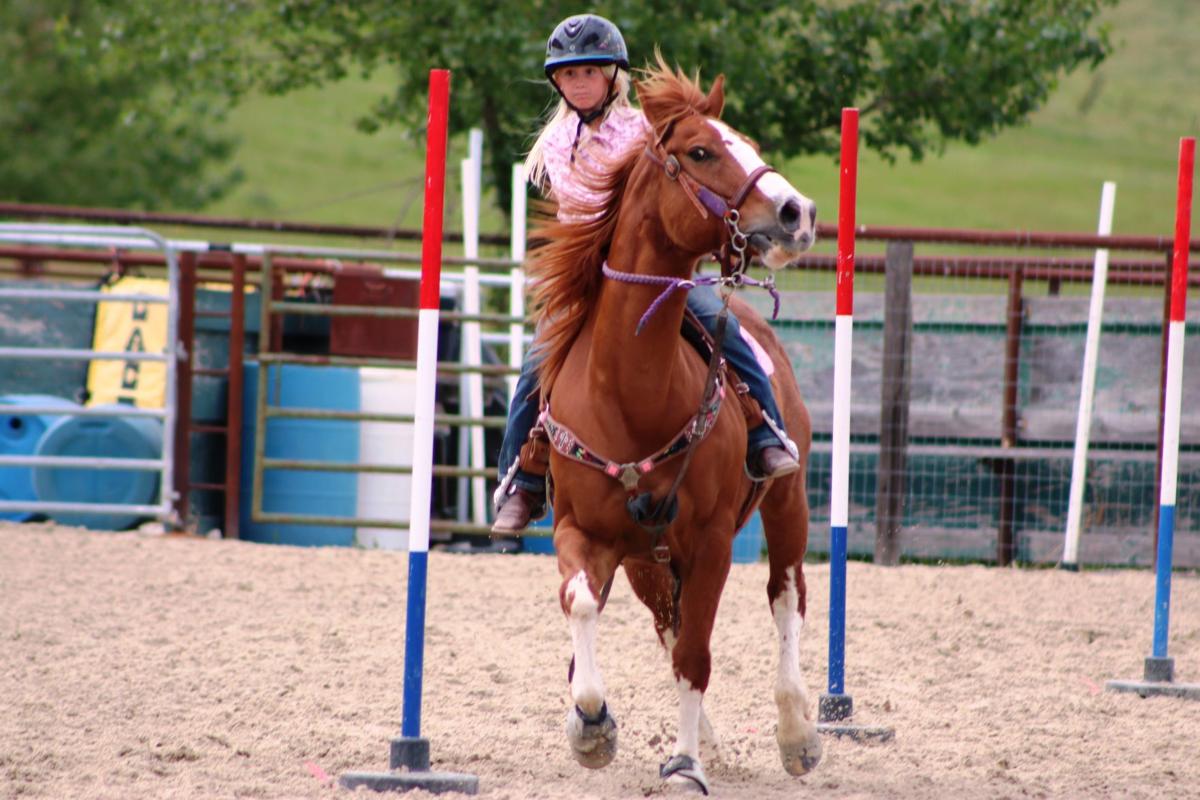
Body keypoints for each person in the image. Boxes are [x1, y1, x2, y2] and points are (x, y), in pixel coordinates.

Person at [491, 13, 799, 535]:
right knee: (537, 360)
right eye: (568, 75)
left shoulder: (643, 132)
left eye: (589, 71)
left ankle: (766, 432)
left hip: (655, 277)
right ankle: (519, 481)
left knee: (722, 327)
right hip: (586, 284)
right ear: (556, 83)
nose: (579, 82)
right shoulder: (553, 144)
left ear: (615, 76)